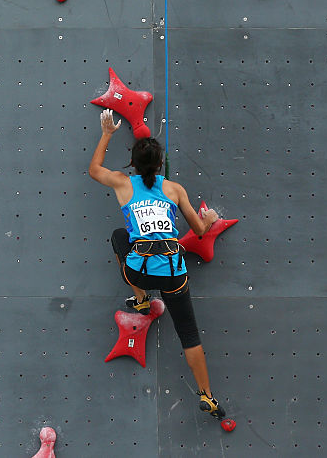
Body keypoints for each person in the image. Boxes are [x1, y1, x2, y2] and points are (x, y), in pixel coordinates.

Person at [88, 108, 226, 420]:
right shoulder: (174, 190)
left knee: (119, 238)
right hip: (174, 274)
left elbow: (95, 170)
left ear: (132, 165)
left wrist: (108, 133)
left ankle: (140, 300)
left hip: (139, 269)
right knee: (189, 333)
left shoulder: (123, 184)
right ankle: (207, 395)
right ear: (160, 165)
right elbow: (200, 230)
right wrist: (210, 219)